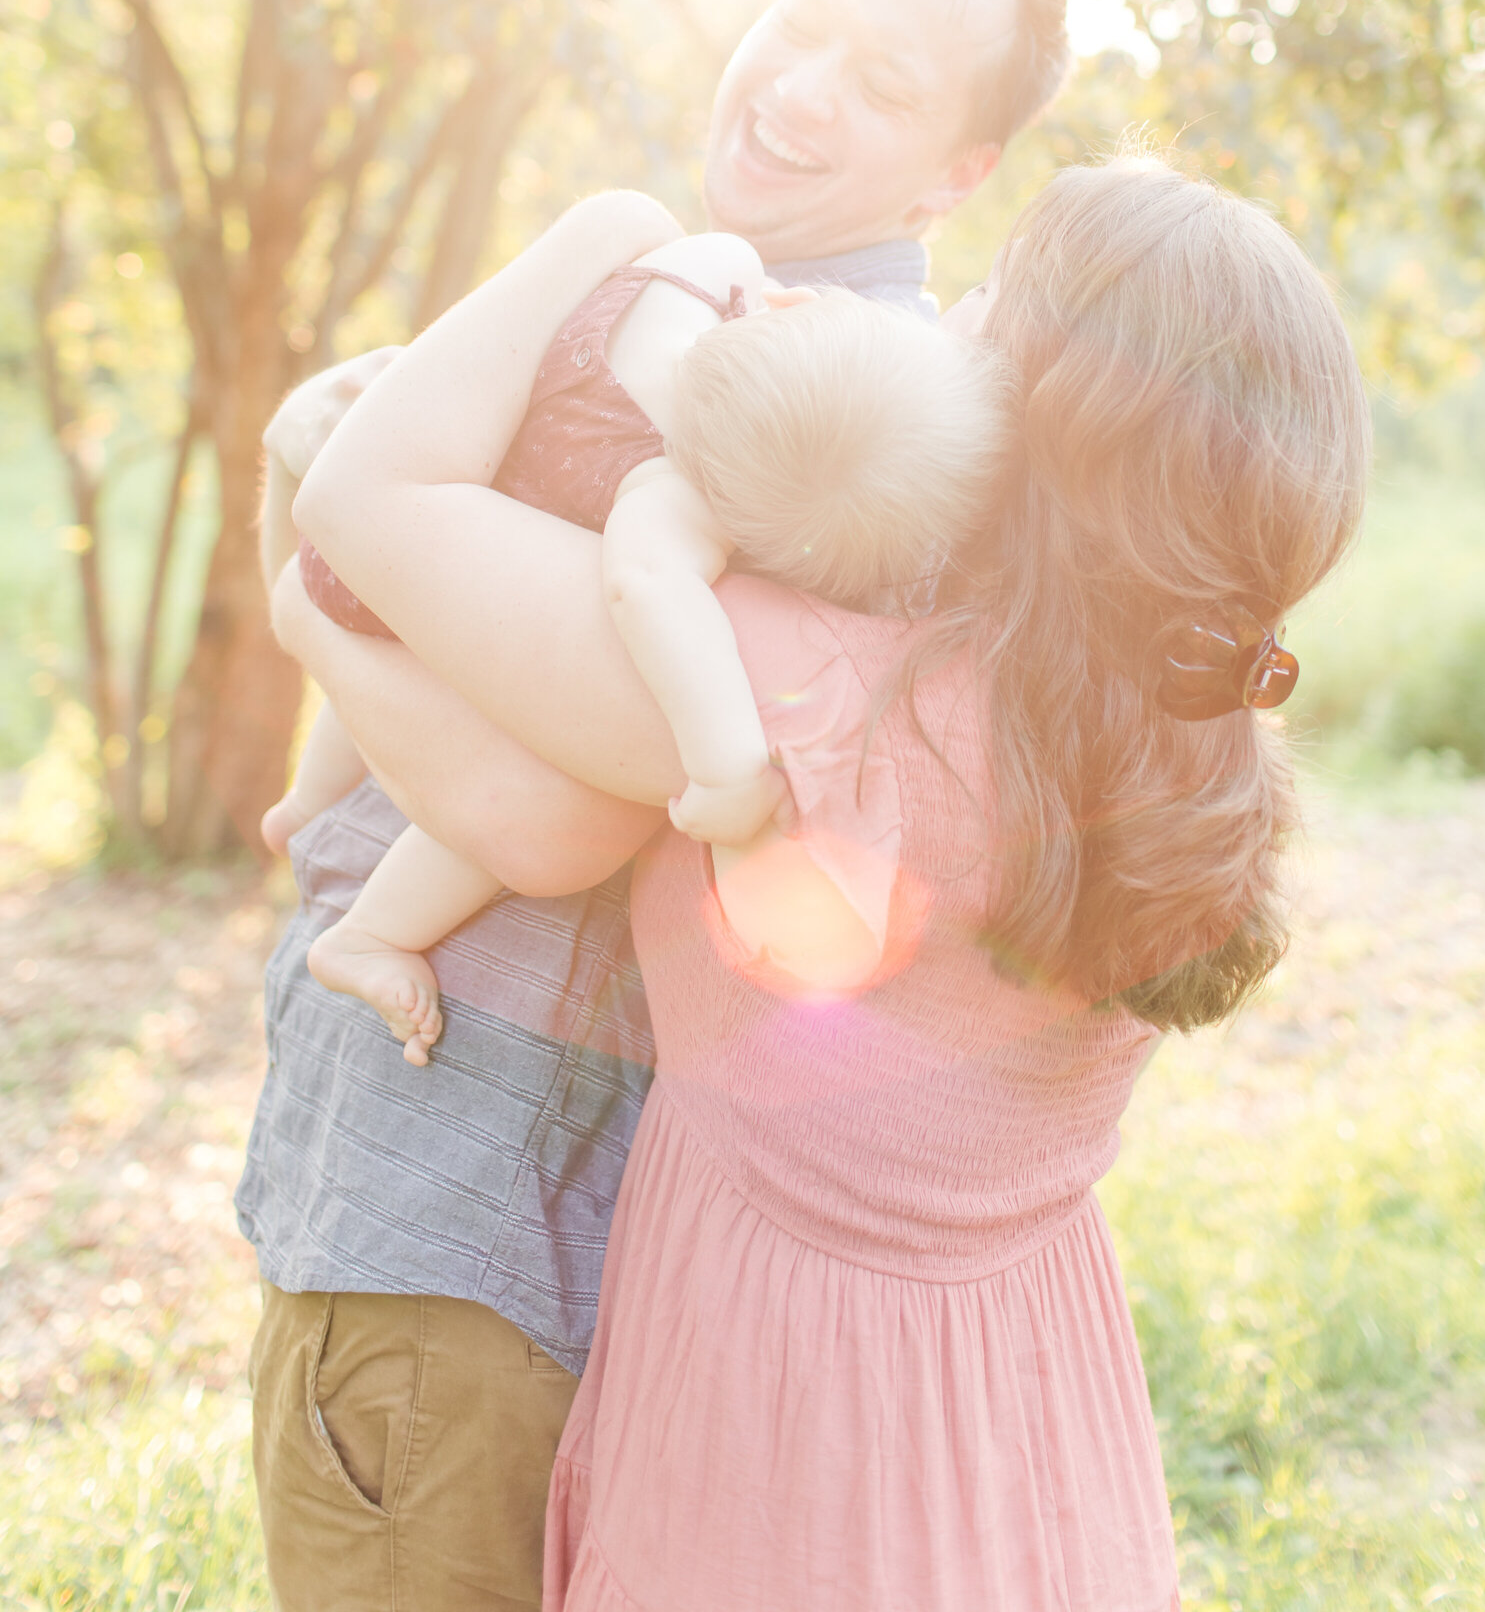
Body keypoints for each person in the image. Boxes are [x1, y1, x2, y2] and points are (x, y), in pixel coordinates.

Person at [273, 153, 1370, 1610]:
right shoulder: (1191, 743)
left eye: (990, 301)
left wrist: (609, 234)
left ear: (1033, 420)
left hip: (791, 1435)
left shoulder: (812, 688)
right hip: (1029, 1424)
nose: (947, 324)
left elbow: (370, 497)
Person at [239, 0, 1068, 1610]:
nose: (801, 85)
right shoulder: (699, 319)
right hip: (470, 1192)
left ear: (957, 174)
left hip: (474, 1197)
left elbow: (554, 797)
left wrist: (322, 591)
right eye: (804, 12)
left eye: (885, 81)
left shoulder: (825, 417)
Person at [286, 230, 1007, 1062]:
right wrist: (729, 773)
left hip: (367, 551)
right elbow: (651, 594)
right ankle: (368, 934)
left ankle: (306, 801)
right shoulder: (671, 494)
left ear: (791, 304)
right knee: (508, 804)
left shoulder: (681, 281)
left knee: (375, 678)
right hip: (410, 588)